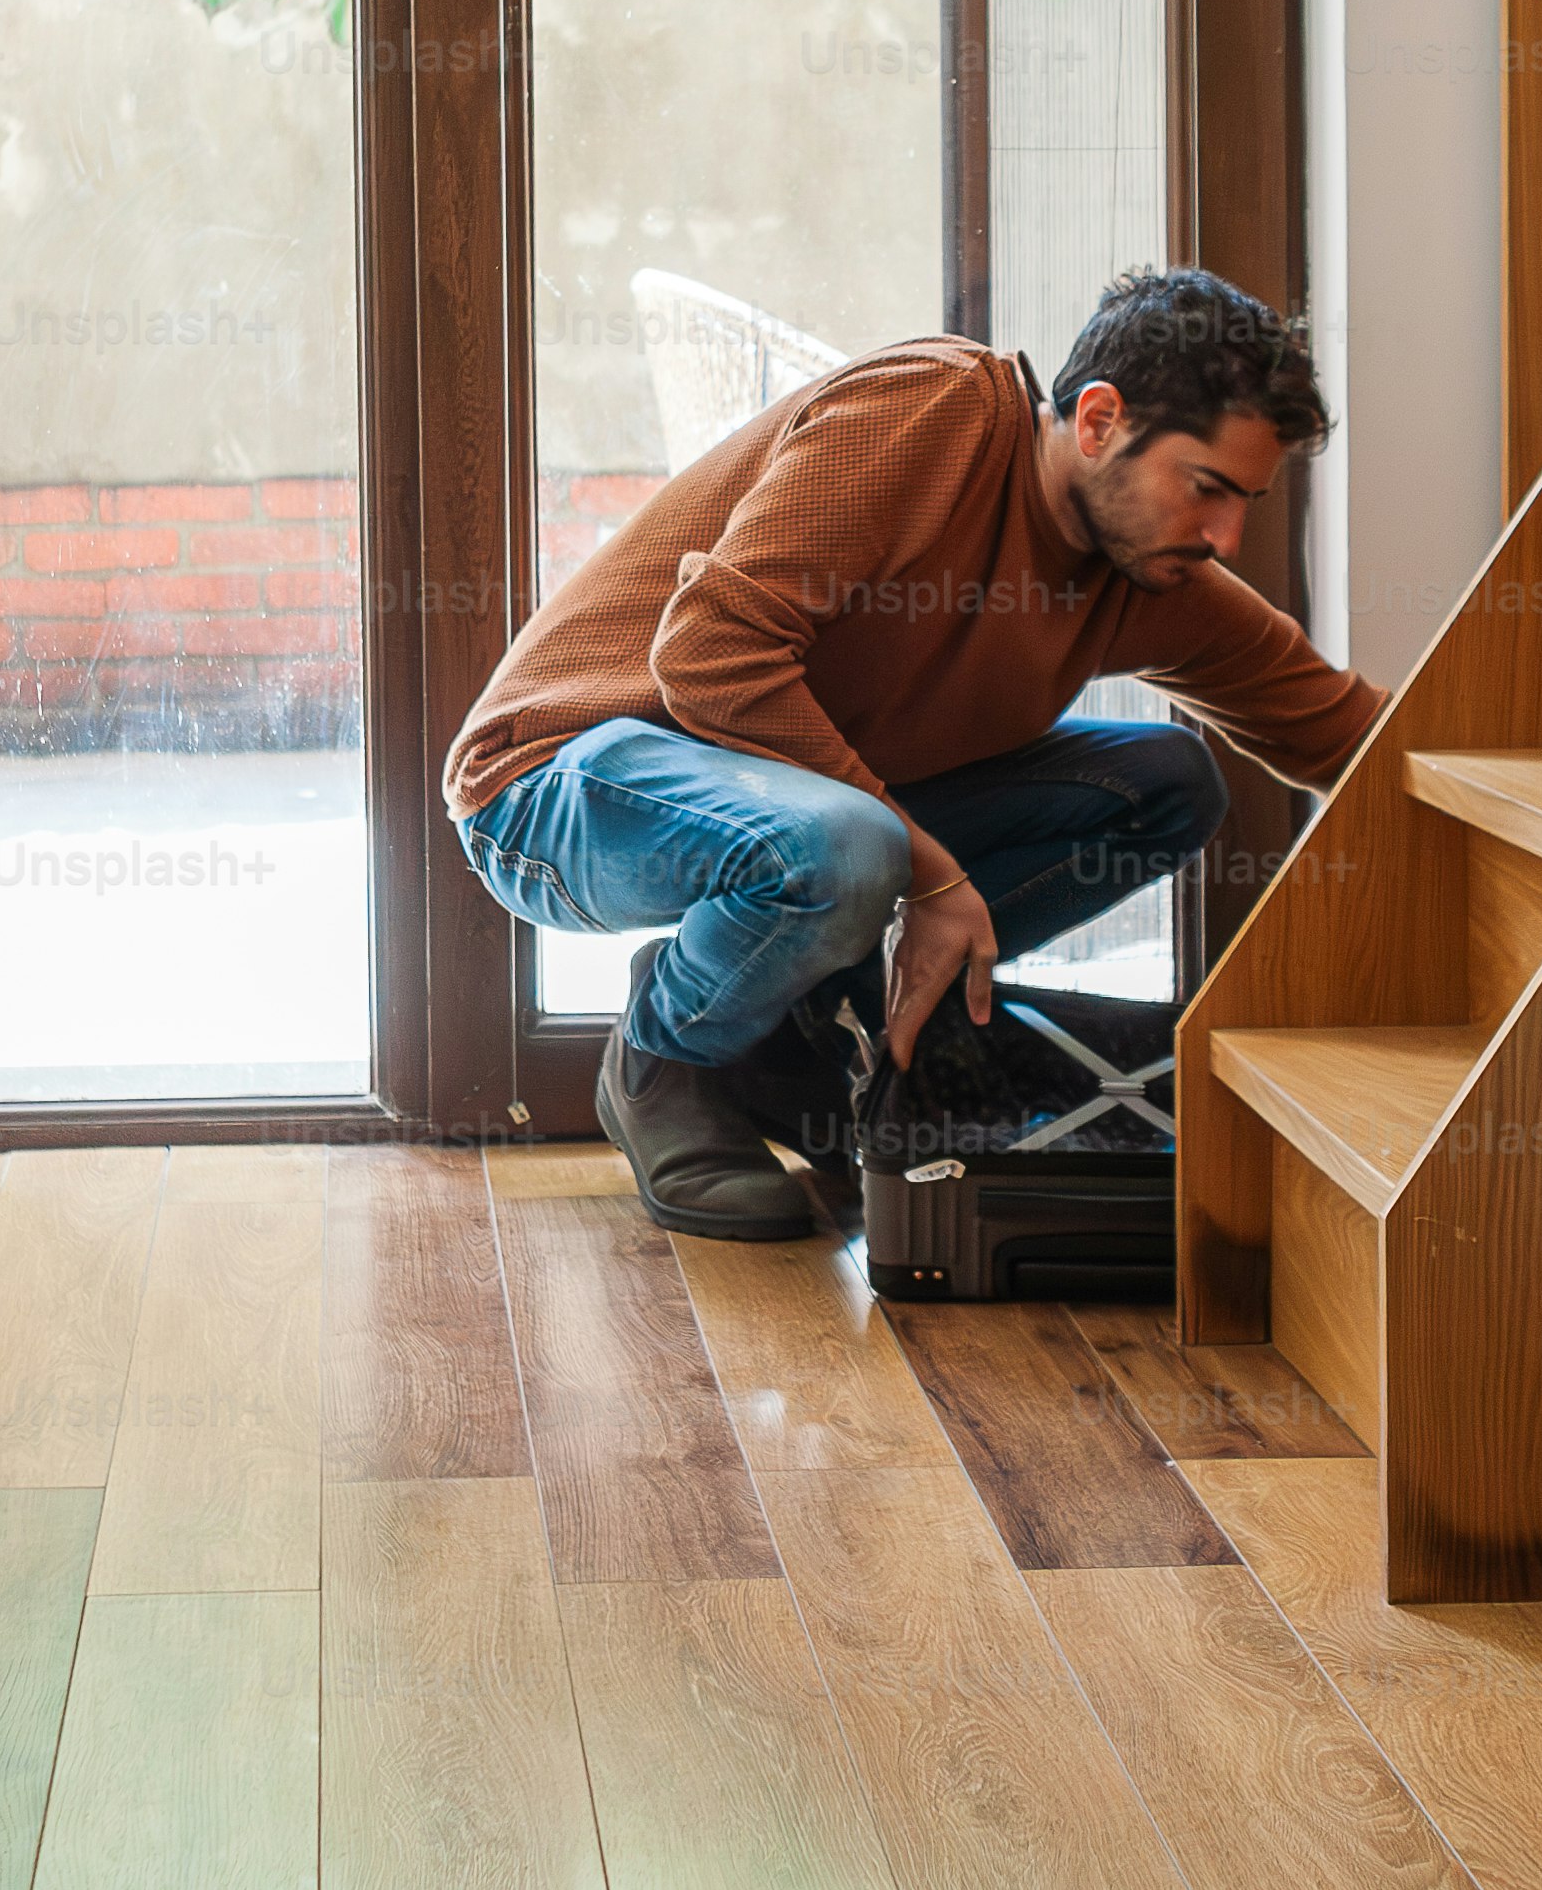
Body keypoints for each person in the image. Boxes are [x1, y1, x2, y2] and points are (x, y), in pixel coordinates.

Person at [445, 264, 1384, 1239]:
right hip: (559, 784)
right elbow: (709, 654)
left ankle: (804, 1037)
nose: (1228, 535)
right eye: (1208, 489)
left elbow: (1344, 733)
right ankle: (668, 1054)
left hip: (805, 819)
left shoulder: (1150, 571)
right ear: (1099, 420)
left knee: (1165, 783)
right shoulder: (936, 411)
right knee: (851, 845)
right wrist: (933, 879)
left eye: (1249, 502)